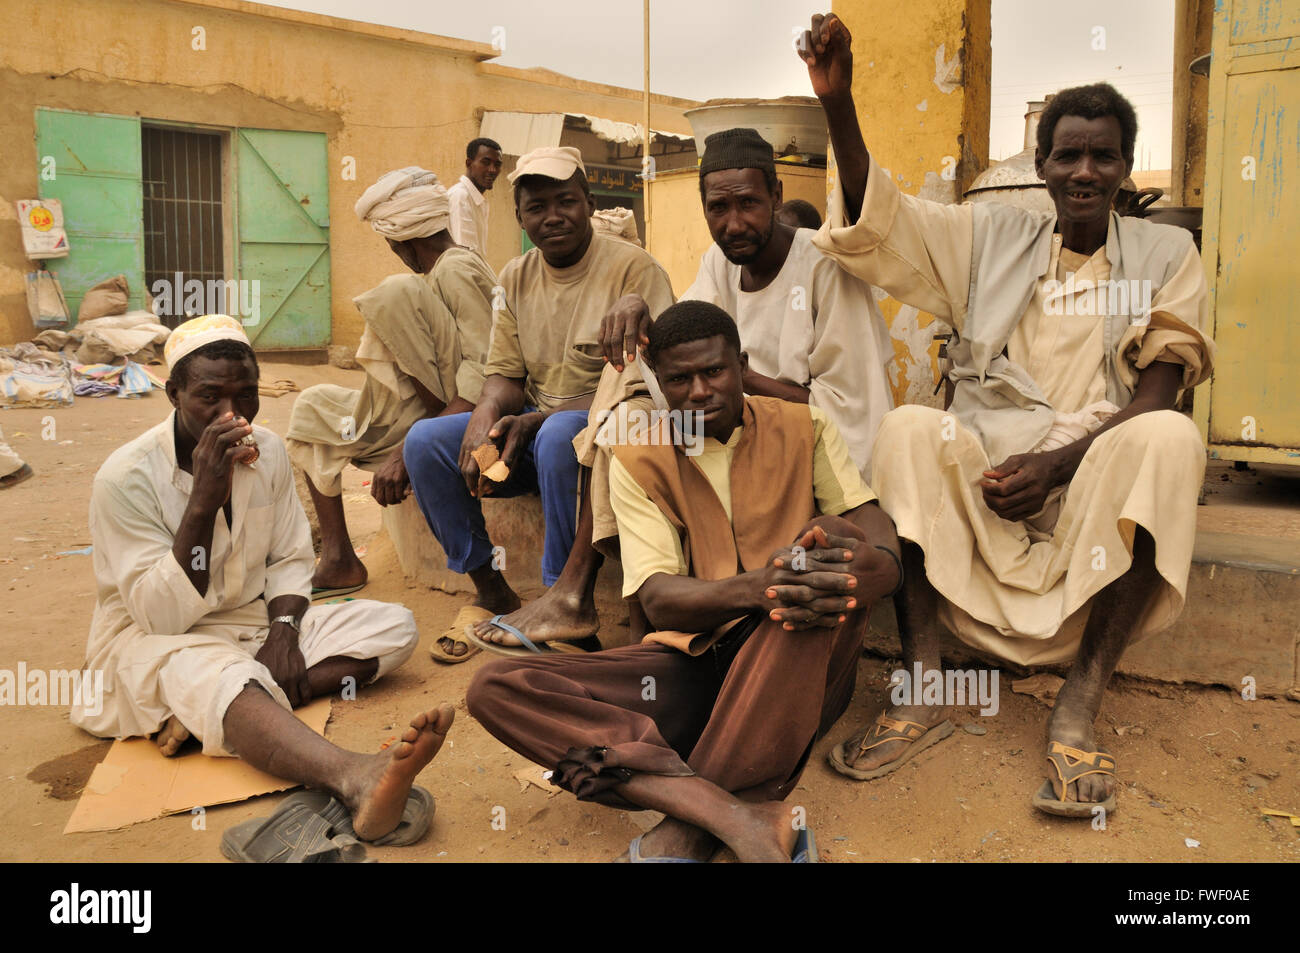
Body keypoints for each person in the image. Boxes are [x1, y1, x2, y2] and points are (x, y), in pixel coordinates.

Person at [800, 13, 1214, 817]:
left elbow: (1158, 393)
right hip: (991, 485)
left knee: (1170, 436)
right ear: (1044, 165)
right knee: (910, 429)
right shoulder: (994, 239)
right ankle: (921, 682)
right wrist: (839, 104)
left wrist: (1055, 465)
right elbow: (885, 218)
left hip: (1091, 490)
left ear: (1126, 166)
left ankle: (1079, 698)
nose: (1084, 169)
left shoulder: (1167, 256)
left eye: (1103, 154)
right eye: (1068, 154)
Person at [468, 301, 902, 862]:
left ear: (741, 365)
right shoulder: (638, 457)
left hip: (795, 668)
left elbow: (878, 540)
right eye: (678, 379)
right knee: (498, 688)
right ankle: (728, 814)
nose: (699, 391)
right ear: (659, 383)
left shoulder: (805, 427)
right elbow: (659, 600)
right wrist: (760, 585)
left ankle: (683, 829)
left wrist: (859, 570)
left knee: (810, 575)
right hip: (695, 665)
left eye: (714, 372)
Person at [476, 125, 894, 651]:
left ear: (777, 196)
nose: (734, 222)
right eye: (718, 208)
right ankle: (600, 608)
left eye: (748, 203)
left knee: (633, 404)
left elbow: (840, 410)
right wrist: (639, 313)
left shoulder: (827, 266)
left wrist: (736, 383)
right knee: (626, 380)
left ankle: (580, 592)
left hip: (798, 445)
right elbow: (678, 349)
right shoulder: (719, 263)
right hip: (720, 430)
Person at [70, 315, 451, 842]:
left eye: (246, 395)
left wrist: (284, 633)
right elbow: (159, 614)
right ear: (174, 393)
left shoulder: (266, 450)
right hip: (154, 639)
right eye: (210, 397)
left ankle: (222, 710)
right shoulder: (125, 477)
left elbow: (290, 559)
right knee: (224, 675)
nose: (232, 414)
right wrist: (203, 501)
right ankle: (355, 774)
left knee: (393, 627)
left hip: (251, 625)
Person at [403, 146, 674, 660]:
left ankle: (566, 601)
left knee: (557, 434)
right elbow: (504, 375)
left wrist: (536, 418)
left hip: (607, 446)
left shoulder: (634, 271)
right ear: (520, 217)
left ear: (588, 202)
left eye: (565, 201)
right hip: (526, 439)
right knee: (425, 443)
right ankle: (491, 588)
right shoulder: (514, 277)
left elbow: (649, 387)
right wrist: (484, 417)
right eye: (537, 207)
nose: (553, 217)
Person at [286, 167, 496, 598]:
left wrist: (413, 445)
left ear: (403, 240)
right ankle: (340, 558)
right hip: (422, 407)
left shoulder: (454, 270)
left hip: (455, 412)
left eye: (391, 242)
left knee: (395, 292)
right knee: (312, 406)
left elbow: (487, 369)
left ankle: (419, 436)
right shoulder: (443, 271)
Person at [447, 138, 503, 256]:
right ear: (469, 163)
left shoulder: (477, 200)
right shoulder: (461, 196)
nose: (493, 170)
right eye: (486, 162)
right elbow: (464, 255)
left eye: (497, 164)